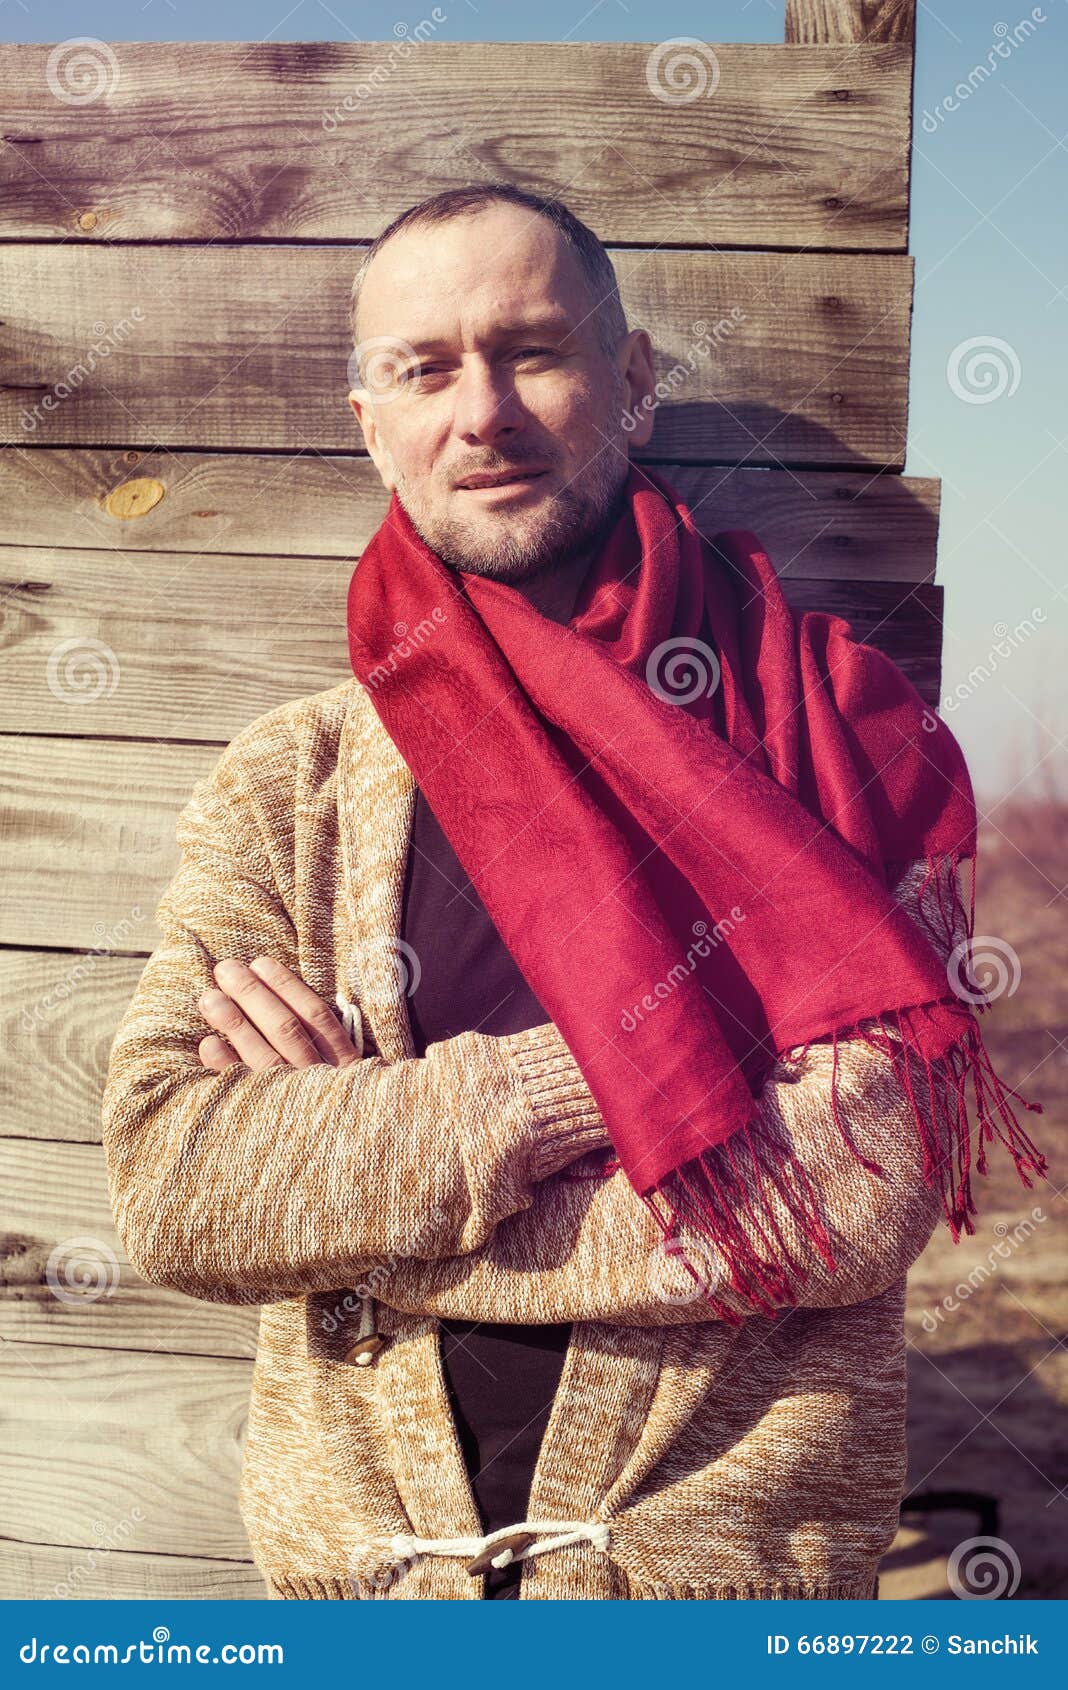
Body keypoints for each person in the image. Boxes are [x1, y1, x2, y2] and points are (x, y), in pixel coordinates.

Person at [101, 184, 1044, 1602]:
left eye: (532, 350)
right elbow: (176, 1182)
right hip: (364, 1599)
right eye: (422, 368)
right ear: (372, 426)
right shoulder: (284, 783)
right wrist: (627, 1073)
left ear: (637, 385)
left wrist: (355, 1221)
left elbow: (857, 1185)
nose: (480, 410)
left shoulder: (831, 732)